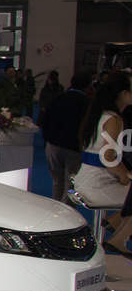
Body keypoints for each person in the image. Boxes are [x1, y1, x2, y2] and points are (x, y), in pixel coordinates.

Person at [74, 74, 131, 247]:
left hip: (85, 180)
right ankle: (118, 236)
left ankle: (116, 224)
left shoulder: (101, 114)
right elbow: (108, 158)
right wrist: (124, 176)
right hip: (98, 185)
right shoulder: (114, 119)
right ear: (123, 93)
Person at [41, 71, 93, 201]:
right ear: (88, 86)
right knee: (71, 184)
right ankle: (67, 214)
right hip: (73, 147)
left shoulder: (59, 97)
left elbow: (45, 119)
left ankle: (55, 209)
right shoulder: (87, 103)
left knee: (57, 182)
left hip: (53, 145)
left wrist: (47, 138)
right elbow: (89, 126)